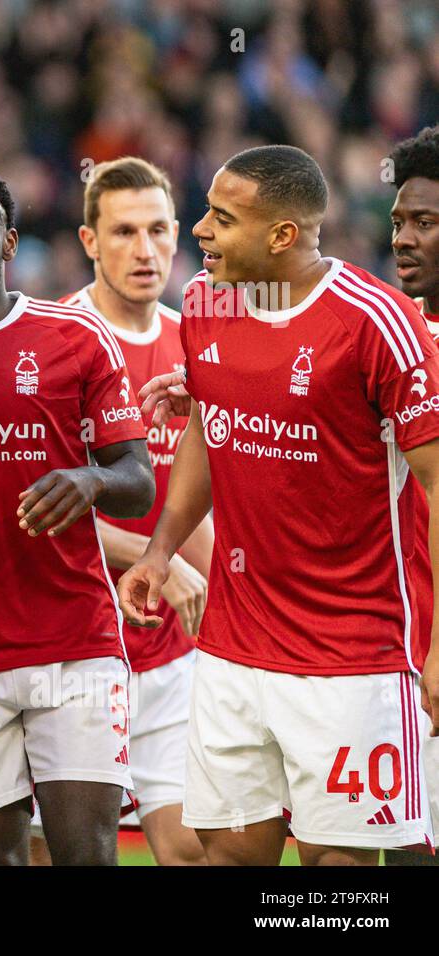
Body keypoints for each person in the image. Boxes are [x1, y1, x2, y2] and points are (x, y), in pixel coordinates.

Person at [120, 145, 439, 865]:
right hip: (234, 650)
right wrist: (161, 548)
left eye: (222, 219)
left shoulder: (376, 321)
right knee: (227, 855)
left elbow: (436, 485)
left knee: (336, 870)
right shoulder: (205, 304)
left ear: (283, 236)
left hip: (351, 657)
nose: (198, 231)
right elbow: (209, 427)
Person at [0, 161, 154, 866]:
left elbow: (137, 479)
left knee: (87, 856)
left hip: (73, 644)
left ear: (8, 241)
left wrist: (89, 479)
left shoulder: (73, 338)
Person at [56, 158, 210, 866]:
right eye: (123, 232)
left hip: (172, 650)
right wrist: (158, 560)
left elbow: (202, 493)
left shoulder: (199, 346)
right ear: (89, 239)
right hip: (68, 647)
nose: (144, 251)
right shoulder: (52, 343)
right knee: (61, 853)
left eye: (156, 230)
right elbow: (26, 504)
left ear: (178, 235)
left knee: (191, 849)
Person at [386, 125, 439, 866]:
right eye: (398, 220)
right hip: (404, 645)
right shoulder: (389, 340)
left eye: (425, 222)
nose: (403, 238)